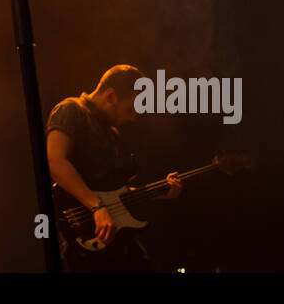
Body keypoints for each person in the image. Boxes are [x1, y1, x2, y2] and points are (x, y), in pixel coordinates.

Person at [46, 64, 182, 271]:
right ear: (110, 96)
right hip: (82, 236)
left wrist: (159, 192)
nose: (133, 117)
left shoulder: (112, 133)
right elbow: (55, 161)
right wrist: (96, 207)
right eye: (130, 108)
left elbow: (115, 194)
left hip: (116, 241)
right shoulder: (71, 110)